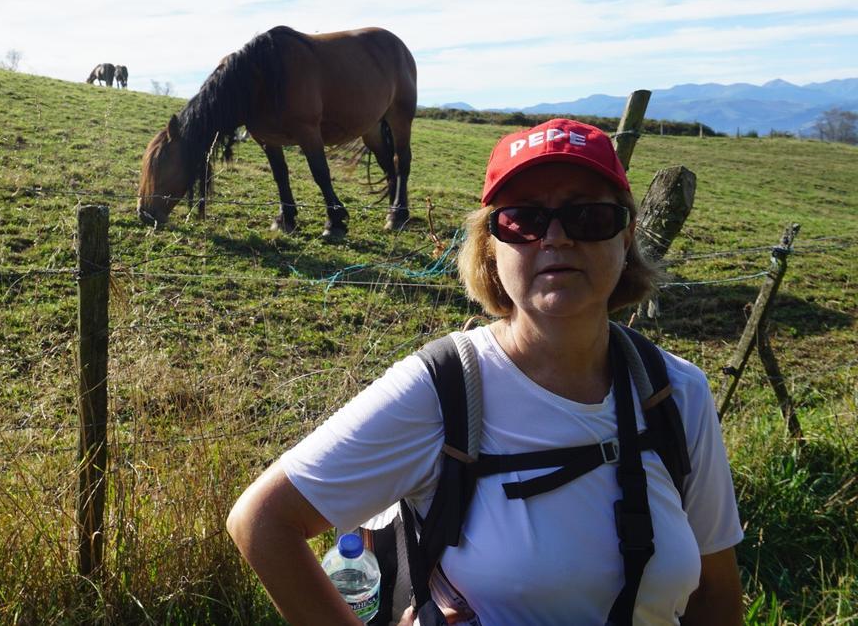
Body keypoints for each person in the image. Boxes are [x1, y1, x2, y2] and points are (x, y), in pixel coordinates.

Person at [227, 118, 744, 625]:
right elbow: (263, 522)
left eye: (588, 216)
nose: (557, 238)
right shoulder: (446, 388)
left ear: (627, 236)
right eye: (523, 219)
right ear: (490, 247)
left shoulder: (675, 393)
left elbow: (717, 594)